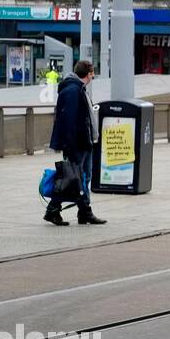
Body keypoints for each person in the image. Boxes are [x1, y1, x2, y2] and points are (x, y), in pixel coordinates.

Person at [46, 59, 107, 226]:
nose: (93, 76)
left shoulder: (78, 88)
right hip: (77, 144)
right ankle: (54, 210)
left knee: (82, 178)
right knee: (71, 179)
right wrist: (71, 147)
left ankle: (84, 212)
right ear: (88, 74)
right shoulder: (73, 90)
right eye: (92, 73)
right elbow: (69, 120)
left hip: (84, 141)